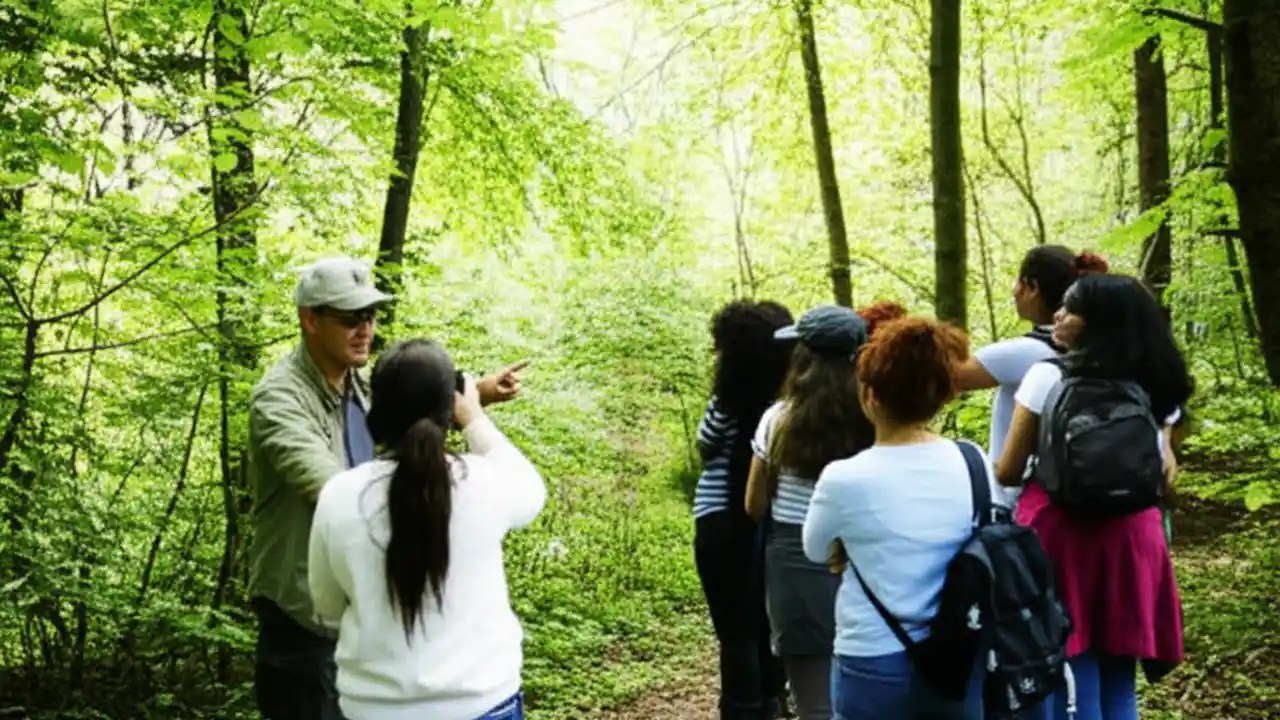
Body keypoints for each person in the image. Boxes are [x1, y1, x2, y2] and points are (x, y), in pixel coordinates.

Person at [247, 256, 527, 720]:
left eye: (371, 316)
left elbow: (405, 420)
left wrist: (475, 393)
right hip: (303, 637)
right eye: (350, 318)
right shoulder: (279, 400)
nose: (366, 329)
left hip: (355, 628)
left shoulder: (355, 384)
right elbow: (333, 489)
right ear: (309, 319)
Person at [308, 339, 546, 720]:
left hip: (375, 711)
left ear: (377, 412)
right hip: (481, 703)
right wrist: (475, 417)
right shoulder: (483, 482)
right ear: (450, 407)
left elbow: (326, 607)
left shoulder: (339, 496)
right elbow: (532, 491)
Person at [995, 274, 1191, 720]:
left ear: (1095, 322)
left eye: (1070, 308)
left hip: (1061, 533)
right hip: (1133, 536)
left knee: (1075, 670)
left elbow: (1007, 468)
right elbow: (1165, 471)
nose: (1058, 315)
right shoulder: (1154, 383)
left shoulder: (1047, 376)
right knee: (1120, 678)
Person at [802, 316, 991, 720]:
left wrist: (849, 544)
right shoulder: (974, 461)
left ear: (869, 395)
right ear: (941, 396)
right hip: (958, 651)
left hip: (872, 652)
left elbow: (815, 550)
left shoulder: (843, 477)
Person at [742, 305, 876, 720]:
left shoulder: (777, 420)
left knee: (814, 703)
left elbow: (754, 505)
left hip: (794, 557)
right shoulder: (877, 413)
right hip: (864, 554)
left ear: (803, 359)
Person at [693, 299, 794, 720]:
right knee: (764, 623)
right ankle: (773, 704)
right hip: (770, 518)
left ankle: (742, 712)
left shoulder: (727, 399)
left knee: (734, 632)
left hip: (719, 522)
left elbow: (705, 443)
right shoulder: (787, 403)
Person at [953, 246, 1108, 506]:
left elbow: (943, 378)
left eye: (1018, 282)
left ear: (1032, 287)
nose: (1014, 291)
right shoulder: (1095, 349)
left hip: (1016, 501)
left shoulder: (1028, 352)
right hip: (1068, 494)